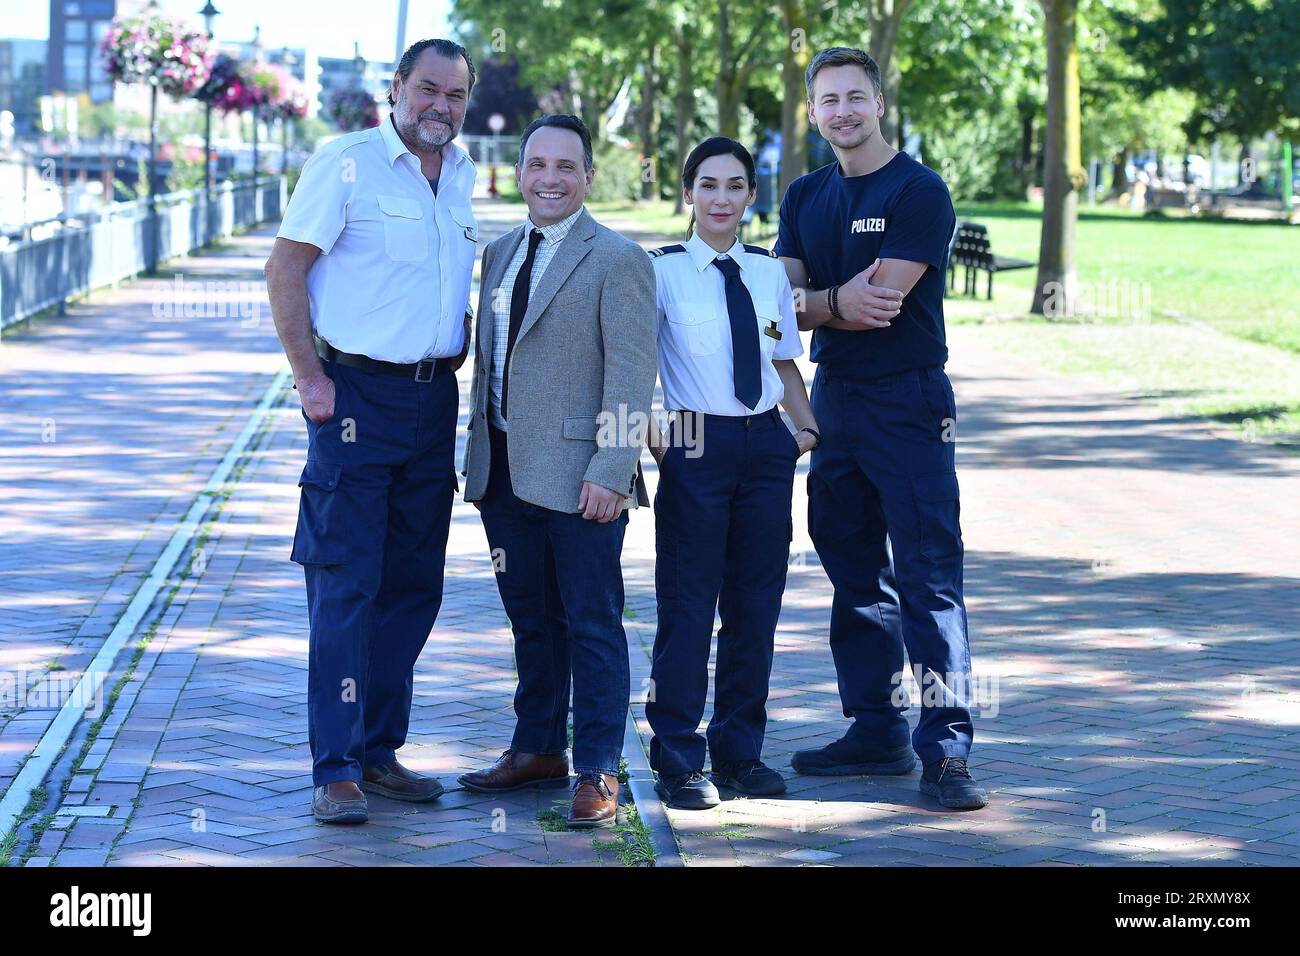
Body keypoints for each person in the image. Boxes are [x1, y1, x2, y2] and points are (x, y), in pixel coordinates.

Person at [264, 38, 478, 824]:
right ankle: (336, 767)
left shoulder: (460, 176)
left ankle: (381, 751)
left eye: (455, 96)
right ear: (397, 89)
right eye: (428, 90)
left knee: (413, 586)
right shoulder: (345, 161)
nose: (440, 108)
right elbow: (285, 269)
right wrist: (309, 377)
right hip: (354, 397)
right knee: (346, 586)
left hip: (433, 404)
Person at [774, 47, 987, 809]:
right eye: (828, 100)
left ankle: (948, 750)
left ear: (879, 101)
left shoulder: (919, 191)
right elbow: (783, 307)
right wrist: (830, 301)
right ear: (811, 111)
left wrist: (816, 304)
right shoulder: (804, 194)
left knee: (928, 578)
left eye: (855, 97)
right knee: (854, 573)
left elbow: (882, 303)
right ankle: (874, 729)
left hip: (910, 401)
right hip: (836, 401)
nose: (842, 112)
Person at [458, 115, 658, 829]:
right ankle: (537, 748)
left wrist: (612, 467)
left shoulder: (618, 257)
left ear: (588, 177)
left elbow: (634, 375)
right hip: (504, 474)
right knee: (531, 624)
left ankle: (598, 767)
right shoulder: (502, 250)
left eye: (564, 166)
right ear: (517, 173)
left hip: (583, 478)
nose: (549, 178)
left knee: (593, 623)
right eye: (536, 164)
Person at [643, 137, 817, 810]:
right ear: (689, 193)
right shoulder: (658, 271)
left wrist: (804, 433)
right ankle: (679, 758)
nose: (721, 198)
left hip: (767, 450)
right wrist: (658, 440)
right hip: (696, 445)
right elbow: (630, 363)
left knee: (755, 607)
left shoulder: (769, 273)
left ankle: (740, 752)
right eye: (708, 185)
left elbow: (780, 363)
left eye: (735, 186)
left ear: (751, 195)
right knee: (688, 607)